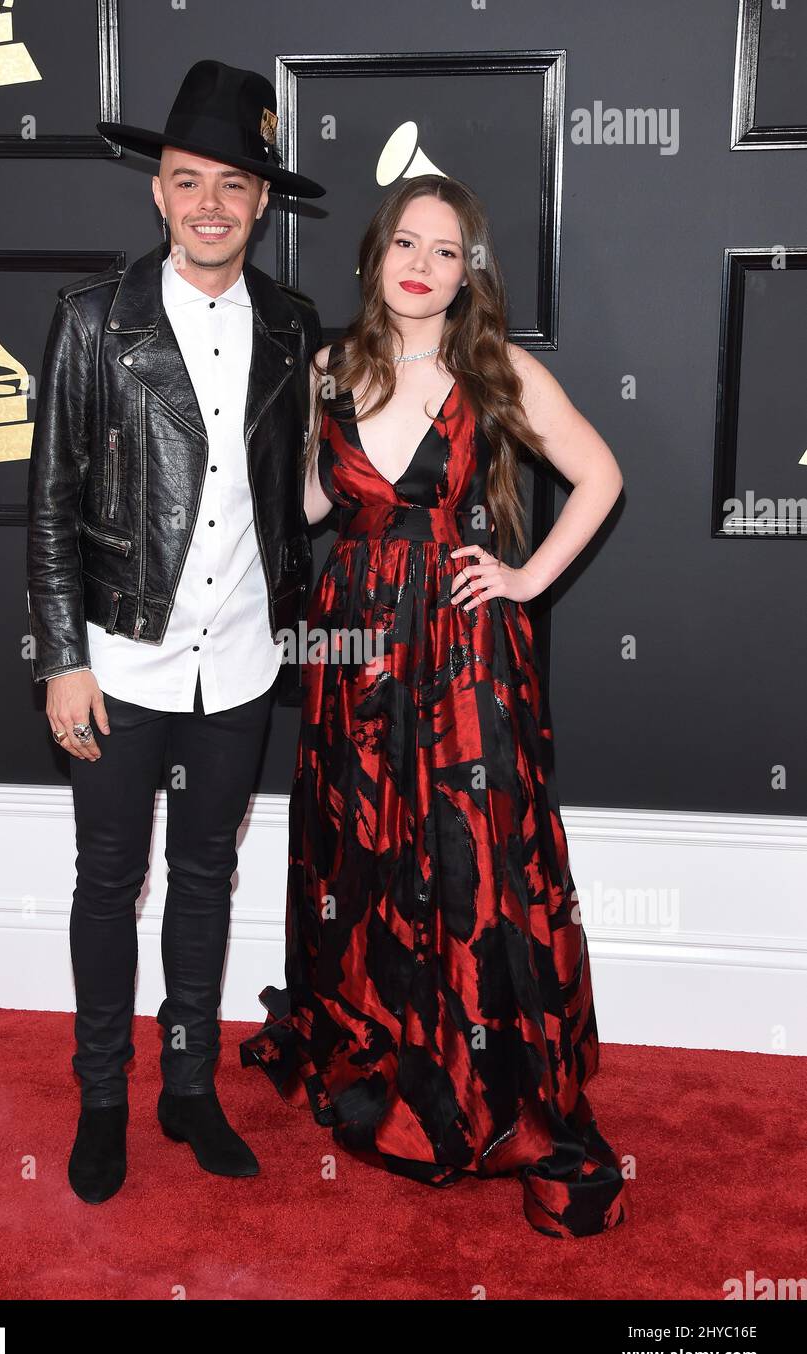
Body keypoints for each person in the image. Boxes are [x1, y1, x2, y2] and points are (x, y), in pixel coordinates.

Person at [240, 173, 632, 1238]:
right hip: (353, 647)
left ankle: (480, 1076)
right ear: (373, 256)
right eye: (403, 242)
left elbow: (598, 475)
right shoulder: (329, 367)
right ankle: (375, 1038)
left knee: (469, 854)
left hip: (459, 654)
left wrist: (522, 577)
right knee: (360, 850)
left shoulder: (492, 366)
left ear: (469, 273)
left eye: (445, 250)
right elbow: (312, 503)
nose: (420, 262)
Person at [25, 60, 324, 1203]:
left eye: (234, 184)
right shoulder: (91, 322)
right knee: (110, 880)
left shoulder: (294, 328)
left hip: (240, 664)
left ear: (261, 201)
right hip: (116, 661)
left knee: (205, 876)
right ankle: (102, 1095)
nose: (210, 203)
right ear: (157, 190)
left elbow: (289, 486)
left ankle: (186, 1085)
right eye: (188, 179)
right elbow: (51, 501)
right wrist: (61, 656)